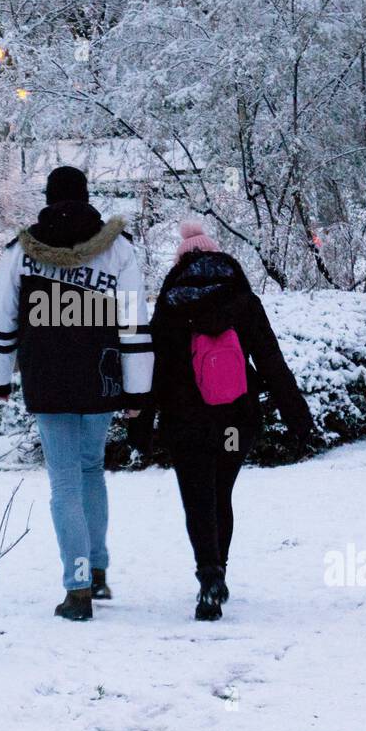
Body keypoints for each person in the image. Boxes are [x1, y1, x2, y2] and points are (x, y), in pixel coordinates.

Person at [0, 165, 153, 621]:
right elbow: (134, 325)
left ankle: (77, 591)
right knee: (92, 469)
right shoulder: (118, 250)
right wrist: (137, 390)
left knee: (64, 482)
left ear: (48, 197)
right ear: (87, 196)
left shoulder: (20, 251)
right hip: (102, 378)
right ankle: (96, 570)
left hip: (48, 380)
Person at [130, 221, 314, 621]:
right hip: (234, 422)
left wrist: (140, 427)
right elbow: (270, 360)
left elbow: (153, 369)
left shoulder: (170, 302)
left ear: (180, 262)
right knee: (221, 492)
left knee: (198, 498)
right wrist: (298, 418)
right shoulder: (243, 300)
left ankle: (209, 577)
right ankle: (220, 571)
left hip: (186, 421)